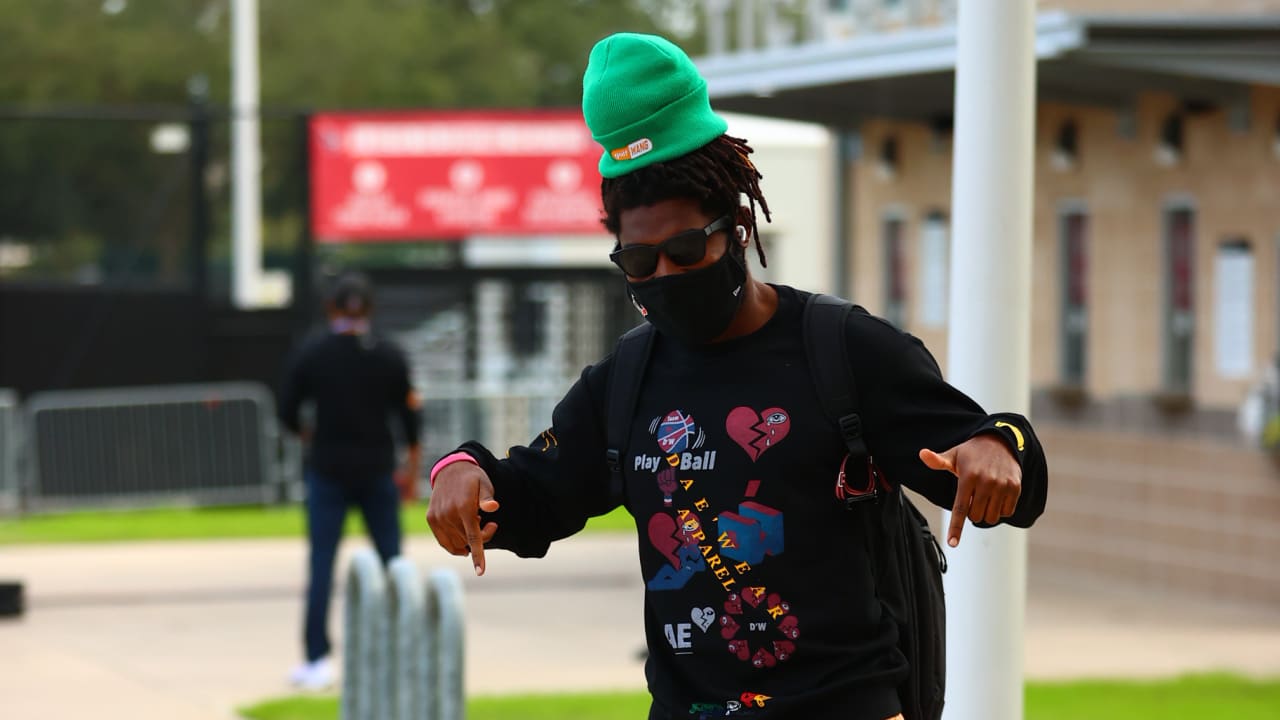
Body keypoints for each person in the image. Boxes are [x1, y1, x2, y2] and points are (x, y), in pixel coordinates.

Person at [426, 32, 1048, 720]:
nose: (661, 276)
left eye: (684, 249)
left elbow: (990, 453)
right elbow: (533, 496)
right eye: (638, 261)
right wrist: (461, 470)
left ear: (740, 227)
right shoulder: (628, 379)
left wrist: (997, 449)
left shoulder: (842, 350)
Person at [278, 271, 422, 690]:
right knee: (392, 563)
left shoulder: (313, 353)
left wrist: (309, 435)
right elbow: (411, 421)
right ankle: (402, 651)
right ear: (371, 309)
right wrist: (410, 476)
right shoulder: (388, 354)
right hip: (377, 469)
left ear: (331, 308)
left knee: (322, 564)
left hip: (328, 470)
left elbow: (287, 409)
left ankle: (317, 658)